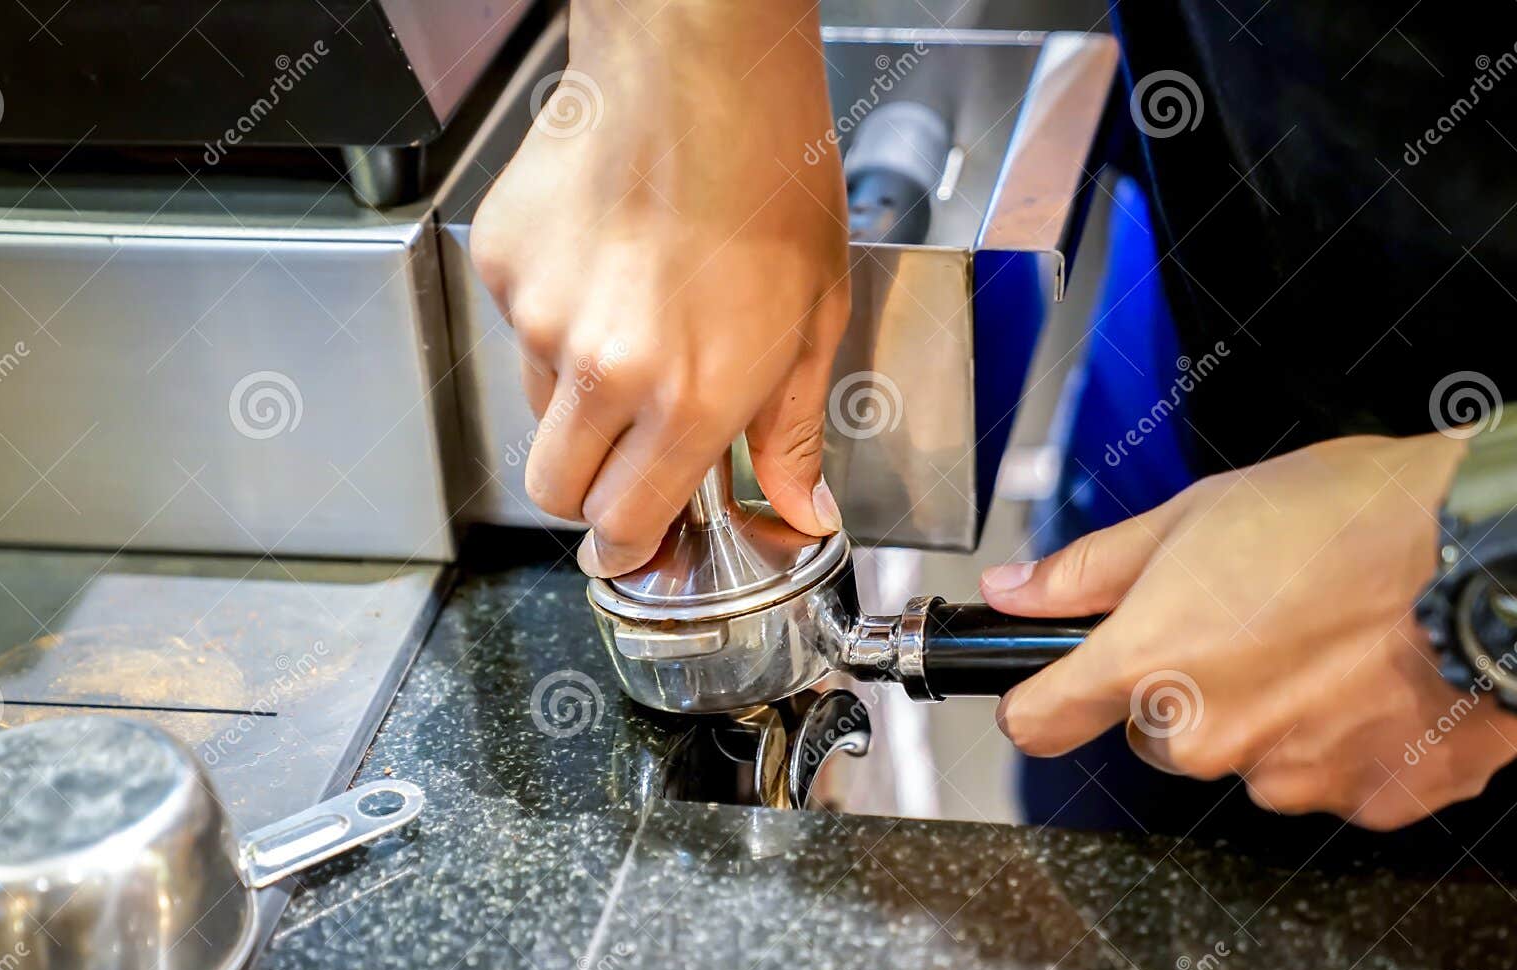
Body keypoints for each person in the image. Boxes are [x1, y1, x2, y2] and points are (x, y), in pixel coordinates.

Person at [470, 1, 1517, 846]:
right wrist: (684, 40)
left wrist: (1477, 552)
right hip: (1234, 267)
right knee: (1106, 863)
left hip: (1446, 602)